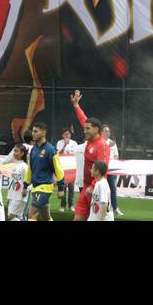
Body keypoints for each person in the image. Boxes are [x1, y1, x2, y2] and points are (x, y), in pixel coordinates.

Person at [69, 90, 110, 223]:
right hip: (86, 188)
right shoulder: (91, 139)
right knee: (77, 218)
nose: (84, 130)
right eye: (85, 128)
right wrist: (76, 105)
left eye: (87, 129)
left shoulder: (102, 146)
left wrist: (92, 186)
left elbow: (104, 170)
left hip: (95, 188)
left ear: (96, 129)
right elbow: (83, 120)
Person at [26, 121, 65, 221]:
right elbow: (30, 168)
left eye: (36, 131)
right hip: (35, 187)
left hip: (45, 187)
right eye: (33, 131)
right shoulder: (33, 149)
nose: (33, 133)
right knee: (46, 217)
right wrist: (26, 184)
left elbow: (58, 170)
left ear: (43, 132)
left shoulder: (51, 150)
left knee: (31, 214)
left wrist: (61, 188)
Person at [4, 143, 30, 221]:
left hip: (20, 196)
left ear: (22, 153)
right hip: (12, 195)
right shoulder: (14, 165)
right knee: (11, 217)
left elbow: (29, 180)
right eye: (14, 151)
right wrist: (9, 197)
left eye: (16, 151)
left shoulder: (24, 167)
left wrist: (26, 190)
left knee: (10, 217)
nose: (14, 153)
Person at [55, 128, 79, 209]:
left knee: (71, 188)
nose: (67, 135)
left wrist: (69, 152)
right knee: (63, 187)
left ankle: (71, 205)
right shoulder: (59, 142)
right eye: (65, 134)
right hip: (63, 168)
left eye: (68, 134)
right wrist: (64, 145)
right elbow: (58, 153)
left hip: (72, 167)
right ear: (62, 135)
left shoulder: (74, 143)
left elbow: (75, 154)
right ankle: (62, 206)